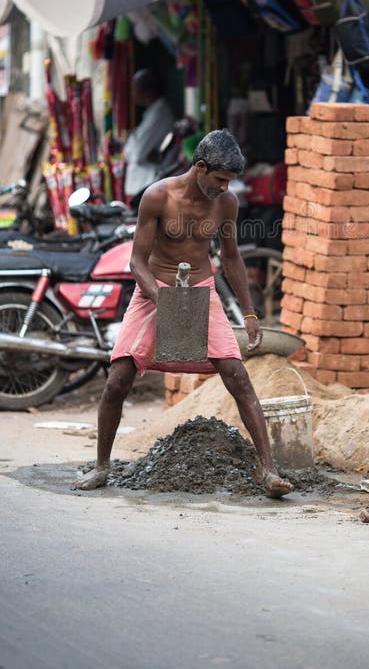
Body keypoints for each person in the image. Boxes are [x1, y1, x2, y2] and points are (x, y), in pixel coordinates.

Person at [76, 129, 293, 499]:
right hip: (155, 291)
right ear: (200, 167)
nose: (225, 188)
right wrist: (164, 300)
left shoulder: (226, 204)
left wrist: (250, 314)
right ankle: (101, 467)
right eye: (220, 179)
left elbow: (231, 258)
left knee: (237, 375)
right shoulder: (158, 196)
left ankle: (269, 471)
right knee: (118, 378)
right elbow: (137, 262)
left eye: (230, 182)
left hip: (201, 291)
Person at [124, 69, 175, 201]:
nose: (132, 94)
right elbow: (128, 151)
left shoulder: (159, 114)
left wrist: (143, 153)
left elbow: (137, 153)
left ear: (147, 91)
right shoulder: (152, 113)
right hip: (143, 185)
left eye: (135, 89)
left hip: (149, 184)